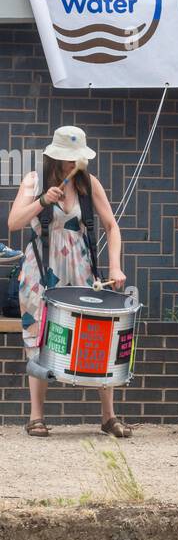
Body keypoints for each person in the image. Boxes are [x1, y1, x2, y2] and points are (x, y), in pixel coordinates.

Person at [8, 125, 132, 438]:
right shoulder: (34, 180)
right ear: (54, 156)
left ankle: (108, 416)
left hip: (82, 268)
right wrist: (42, 201)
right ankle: (36, 417)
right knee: (36, 336)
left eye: (75, 159)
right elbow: (14, 222)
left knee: (97, 333)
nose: (71, 164)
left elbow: (111, 227)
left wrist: (115, 267)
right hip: (40, 269)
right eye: (66, 159)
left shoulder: (89, 184)